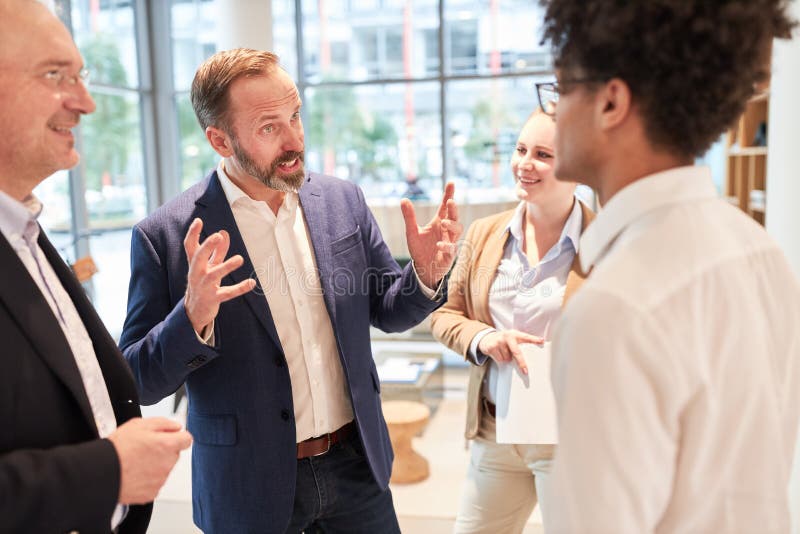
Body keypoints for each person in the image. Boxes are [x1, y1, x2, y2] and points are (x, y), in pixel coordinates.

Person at [118, 48, 462, 533]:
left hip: (356, 466)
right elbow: (136, 382)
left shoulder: (343, 201)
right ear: (220, 139)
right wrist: (191, 318)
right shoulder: (166, 236)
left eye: (295, 115)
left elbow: (388, 308)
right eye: (268, 127)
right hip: (247, 486)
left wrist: (424, 276)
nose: (294, 139)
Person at [535, 1, 800, 532]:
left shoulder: (611, 311)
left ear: (611, 102)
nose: (553, 111)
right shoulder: (759, 250)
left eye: (560, 90)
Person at [0, 1, 193, 532]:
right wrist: (106, 472)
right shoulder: (164, 230)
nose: (85, 103)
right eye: (55, 74)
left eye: (80, 75)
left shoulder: (28, 236)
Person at [430, 109, 593, 533]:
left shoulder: (607, 242)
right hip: (495, 430)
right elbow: (447, 315)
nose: (524, 163)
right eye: (521, 149)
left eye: (543, 154)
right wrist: (484, 337)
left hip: (574, 441)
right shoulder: (485, 234)